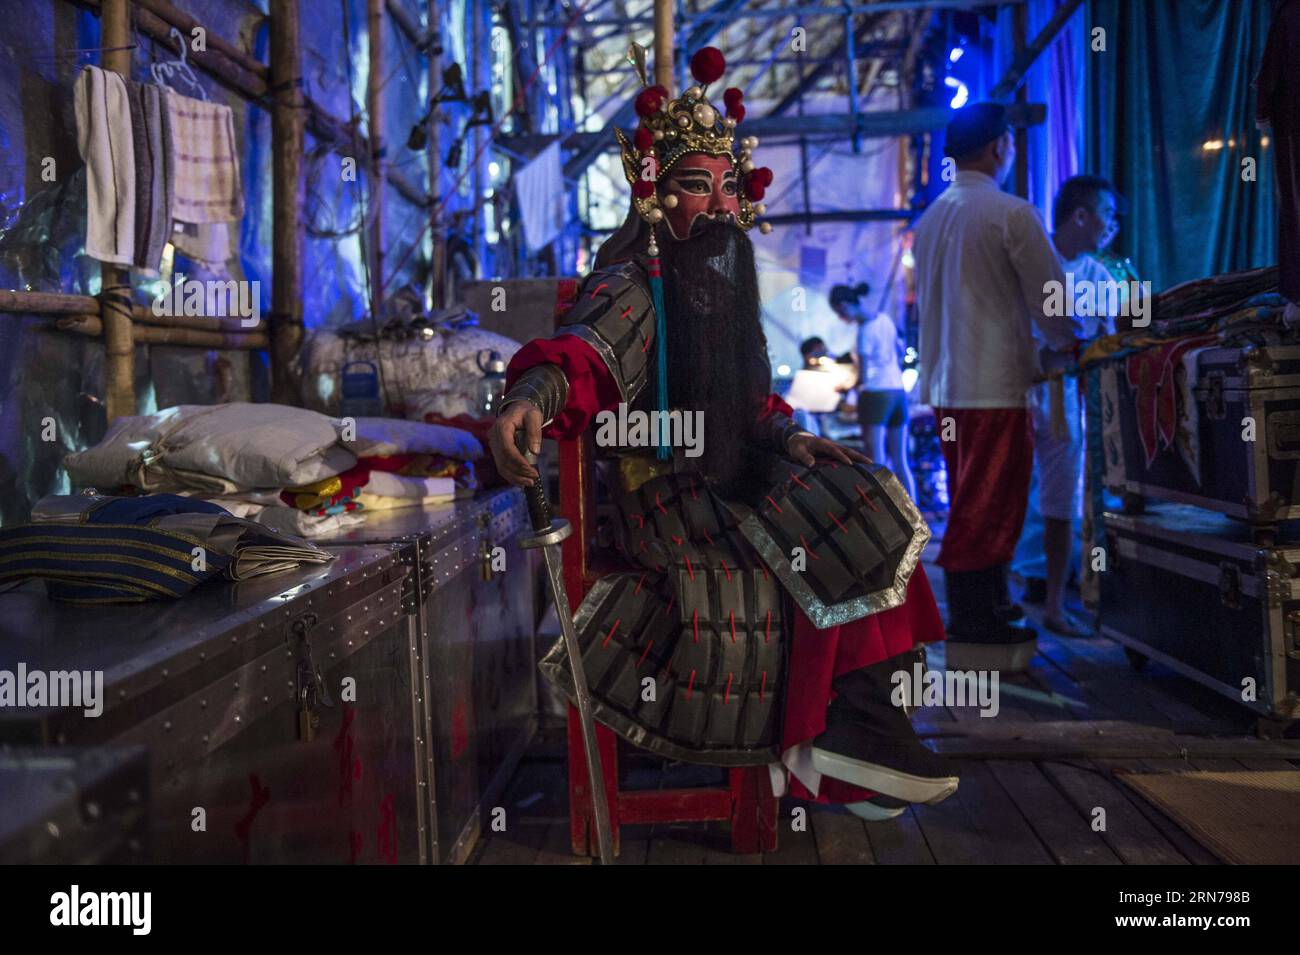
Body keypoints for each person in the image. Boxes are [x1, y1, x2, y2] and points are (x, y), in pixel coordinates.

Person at [488, 48, 957, 821]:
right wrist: (532, 393)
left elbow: (745, 403)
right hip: (671, 504)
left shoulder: (721, 288)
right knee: (834, 530)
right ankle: (835, 726)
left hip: (734, 477)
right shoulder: (633, 285)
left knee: (871, 491)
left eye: (727, 185)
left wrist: (792, 439)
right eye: (693, 185)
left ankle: (858, 723)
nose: (716, 204)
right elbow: (582, 357)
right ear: (655, 196)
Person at [912, 101, 1082, 672]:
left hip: (946, 387)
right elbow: (1052, 302)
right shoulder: (1011, 213)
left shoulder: (932, 217)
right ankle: (976, 617)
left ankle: (982, 607)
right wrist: (1077, 337)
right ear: (999, 147)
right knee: (993, 503)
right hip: (992, 385)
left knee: (969, 499)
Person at [1016, 176, 1128, 637]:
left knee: (1062, 502)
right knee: (1011, 497)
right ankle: (1011, 592)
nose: (1112, 225)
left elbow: (1110, 337)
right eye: (1107, 213)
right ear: (1080, 214)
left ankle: (1058, 605)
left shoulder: (1099, 276)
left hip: (1066, 398)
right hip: (1019, 392)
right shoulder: (1030, 262)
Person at [830, 282, 917, 502]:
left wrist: (847, 386)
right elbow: (898, 353)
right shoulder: (885, 320)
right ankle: (914, 509)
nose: (841, 319)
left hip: (875, 395)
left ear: (844, 305)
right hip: (897, 391)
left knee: (875, 460)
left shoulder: (864, 332)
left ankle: (885, 512)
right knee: (900, 458)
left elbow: (865, 377)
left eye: (840, 313)